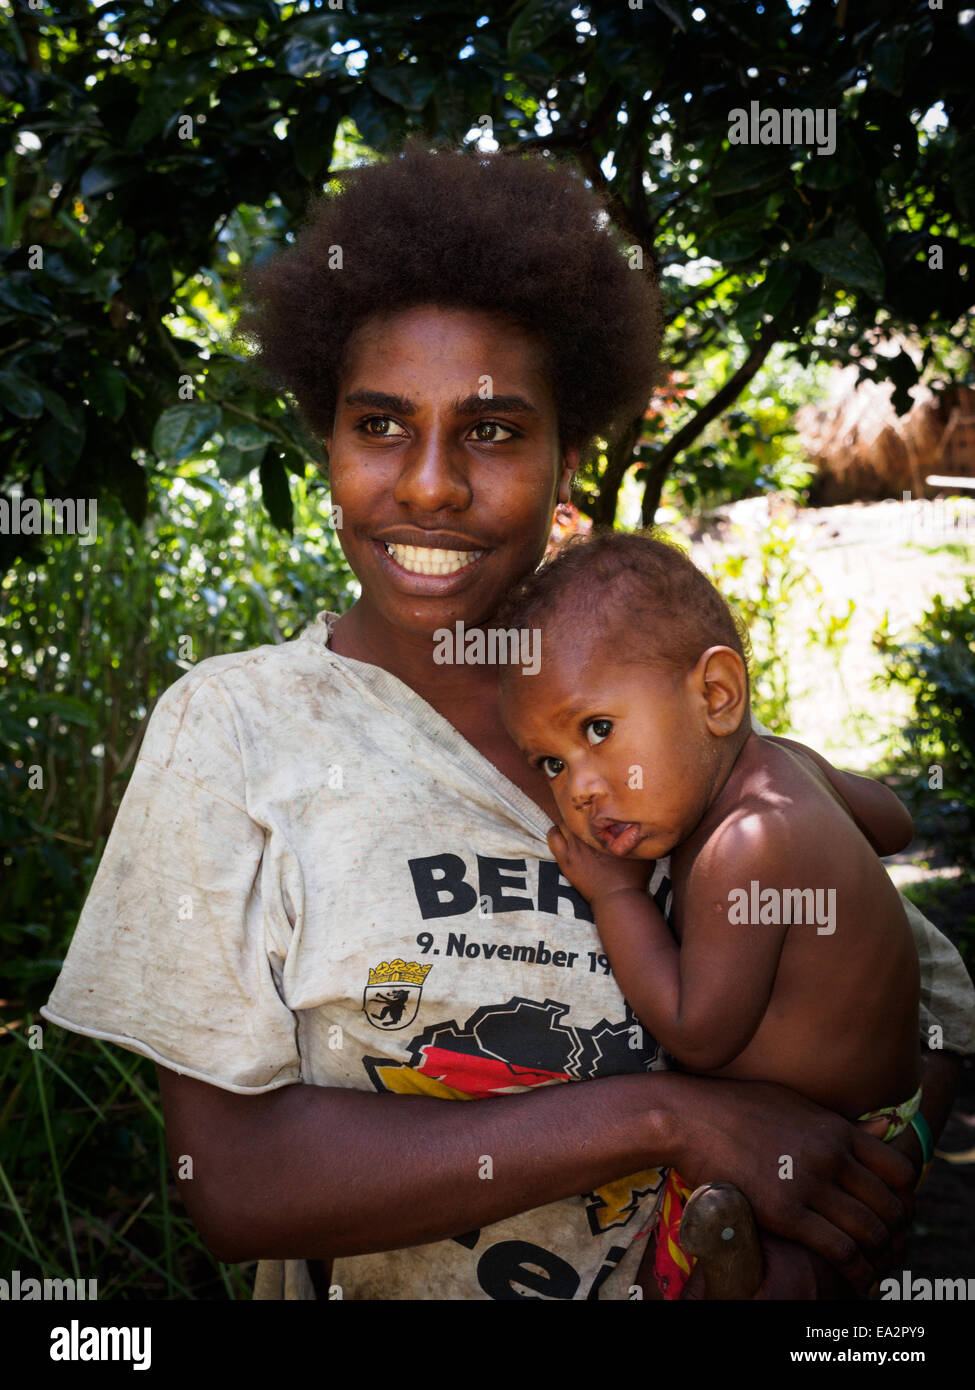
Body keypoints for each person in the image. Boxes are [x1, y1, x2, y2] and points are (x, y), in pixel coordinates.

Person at [40, 144, 975, 1301]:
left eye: (491, 432)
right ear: (327, 445)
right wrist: (665, 1115)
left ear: (566, 458)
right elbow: (234, 1180)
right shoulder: (237, 729)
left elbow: (923, 992)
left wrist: (876, 1179)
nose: (429, 485)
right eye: (380, 424)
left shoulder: (645, 725)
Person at [495, 529, 927, 1297]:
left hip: (835, 1154)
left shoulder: (744, 845)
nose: (580, 790)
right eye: (551, 764)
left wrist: (618, 895)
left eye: (597, 730)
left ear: (716, 696)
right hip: (883, 1112)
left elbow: (699, 1032)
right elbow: (893, 822)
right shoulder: (784, 766)